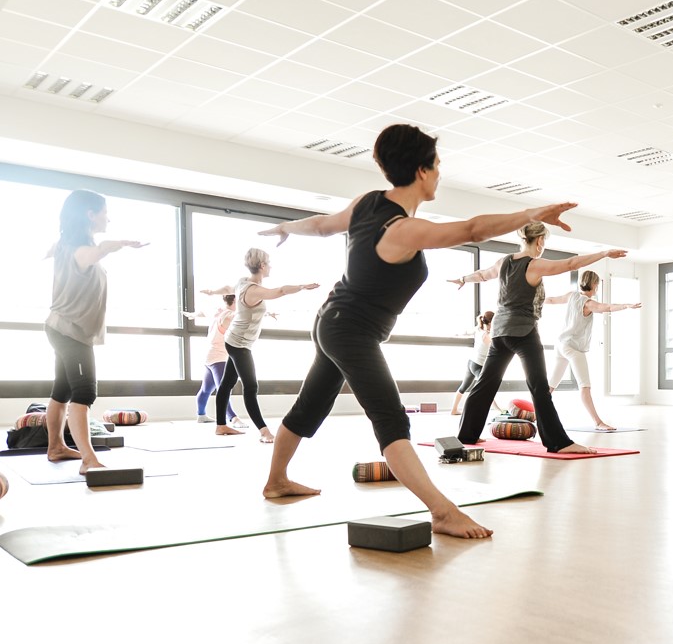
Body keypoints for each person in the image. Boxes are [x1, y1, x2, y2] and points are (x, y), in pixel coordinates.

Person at [256, 123, 580, 539]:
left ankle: (276, 481)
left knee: (311, 405)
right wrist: (531, 213)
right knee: (391, 420)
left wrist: (287, 228)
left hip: (332, 323)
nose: (441, 172)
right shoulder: (401, 229)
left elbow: (321, 225)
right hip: (350, 330)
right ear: (423, 171)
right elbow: (472, 230)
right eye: (438, 164)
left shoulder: (366, 204)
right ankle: (442, 511)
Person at [452, 222, 627, 453]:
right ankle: (558, 443)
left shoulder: (503, 262)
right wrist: (604, 253)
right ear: (541, 241)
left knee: (485, 384)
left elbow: (483, 275)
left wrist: (464, 279)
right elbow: (571, 263)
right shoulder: (533, 265)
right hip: (523, 332)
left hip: (500, 332)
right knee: (539, 388)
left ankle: (467, 435)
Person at [44, 189, 146, 472]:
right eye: (104, 212)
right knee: (84, 393)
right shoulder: (80, 250)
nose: (108, 218)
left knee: (62, 391)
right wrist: (119, 243)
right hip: (71, 331)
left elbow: (84, 251)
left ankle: (56, 447)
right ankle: (88, 460)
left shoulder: (67, 245)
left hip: (62, 328)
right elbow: (95, 252)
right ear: (90, 215)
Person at [212, 249, 319, 443]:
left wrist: (213, 291)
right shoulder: (253, 289)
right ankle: (264, 431)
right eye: (268, 263)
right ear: (262, 266)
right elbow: (280, 291)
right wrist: (302, 286)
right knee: (251, 386)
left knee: (227, 383)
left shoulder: (242, 282)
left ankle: (221, 425)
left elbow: (229, 287)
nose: (270, 266)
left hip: (234, 340)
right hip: (239, 344)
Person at [545, 270, 641, 431]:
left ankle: (534, 414)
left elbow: (552, 300)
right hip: (573, 348)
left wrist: (534, 299)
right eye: (597, 284)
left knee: (551, 386)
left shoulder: (571, 295)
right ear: (594, 285)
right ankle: (598, 423)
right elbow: (607, 307)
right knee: (585, 386)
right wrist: (626, 306)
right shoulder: (587, 303)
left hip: (561, 345)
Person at [183, 293, 247, 427]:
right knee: (223, 388)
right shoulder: (229, 315)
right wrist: (265, 313)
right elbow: (247, 314)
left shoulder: (218, 311)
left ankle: (201, 415)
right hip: (218, 357)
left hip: (210, 356)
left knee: (206, 389)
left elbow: (202, 312)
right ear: (235, 300)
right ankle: (233, 418)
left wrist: (193, 315)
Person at [451, 311, 501, 416]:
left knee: (463, 387)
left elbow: (466, 332)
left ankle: (454, 409)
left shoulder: (478, 329)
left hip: (471, 363)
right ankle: (498, 410)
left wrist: (457, 333)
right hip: (477, 365)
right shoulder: (486, 335)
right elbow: (496, 346)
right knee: (486, 388)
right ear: (491, 322)